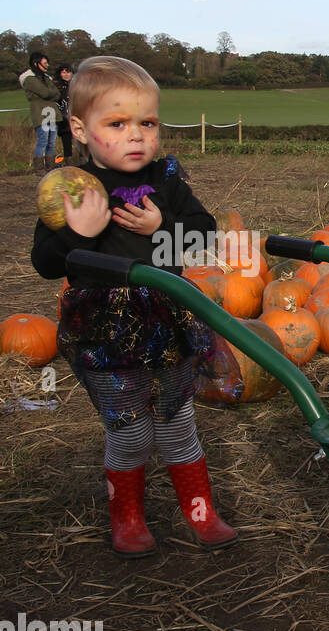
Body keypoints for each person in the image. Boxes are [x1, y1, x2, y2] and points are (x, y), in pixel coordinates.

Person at [31, 55, 237, 558]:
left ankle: (200, 512)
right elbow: (44, 263)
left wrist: (161, 227)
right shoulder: (72, 190)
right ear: (80, 129)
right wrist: (72, 234)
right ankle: (126, 517)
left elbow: (204, 231)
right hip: (104, 331)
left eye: (147, 123)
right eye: (117, 124)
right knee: (129, 430)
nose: (137, 136)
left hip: (167, 320)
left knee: (177, 422)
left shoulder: (166, 180)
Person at [19, 51, 63, 174]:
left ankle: (50, 167)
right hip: (41, 113)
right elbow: (45, 93)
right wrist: (51, 93)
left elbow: (57, 94)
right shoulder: (30, 79)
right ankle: (39, 169)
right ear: (36, 63)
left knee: (52, 142)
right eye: (45, 63)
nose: (47, 65)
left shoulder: (47, 78)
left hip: (53, 113)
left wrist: (51, 94)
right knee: (42, 141)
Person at [54, 64, 77, 165]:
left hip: (77, 116)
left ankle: (83, 162)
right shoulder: (57, 86)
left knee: (81, 140)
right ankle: (70, 163)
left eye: (68, 72)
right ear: (60, 74)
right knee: (66, 142)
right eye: (63, 72)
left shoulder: (78, 85)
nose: (66, 74)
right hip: (63, 117)